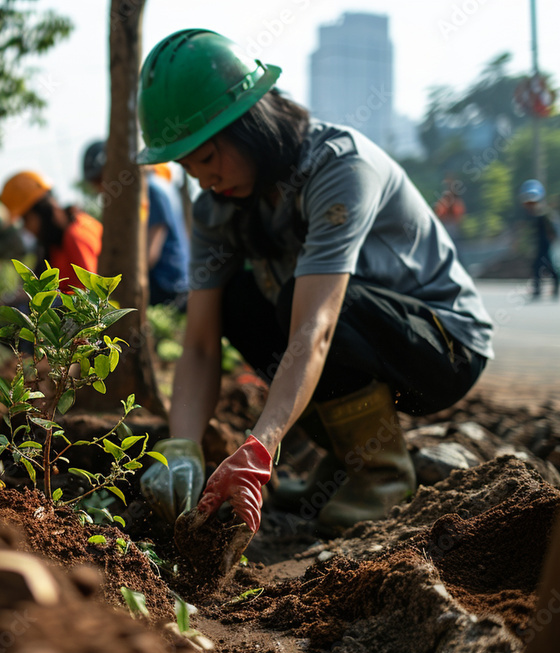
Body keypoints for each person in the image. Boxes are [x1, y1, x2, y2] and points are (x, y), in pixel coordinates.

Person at [136, 29, 494, 534]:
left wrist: (258, 449)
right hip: (348, 334)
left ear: (250, 124)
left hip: (443, 346)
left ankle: (382, 472)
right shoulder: (216, 208)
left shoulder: (337, 167)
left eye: (209, 158)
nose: (204, 180)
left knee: (300, 308)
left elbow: (317, 327)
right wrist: (182, 448)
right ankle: (351, 456)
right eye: (188, 168)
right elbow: (196, 344)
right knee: (237, 302)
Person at [82, 140, 190, 308]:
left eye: (99, 179)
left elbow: (150, 254)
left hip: (169, 289)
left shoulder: (151, 191)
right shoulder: (150, 188)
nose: (99, 188)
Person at [0, 171, 102, 292]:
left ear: (40, 211)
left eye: (25, 219)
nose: (26, 228)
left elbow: (92, 293)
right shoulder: (56, 243)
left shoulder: (76, 234)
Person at [517, 179, 559, 300]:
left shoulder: (544, 214)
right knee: (536, 267)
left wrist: (552, 242)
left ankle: (555, 287)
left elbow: (552, 231)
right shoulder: (531, 215)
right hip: (538, 245)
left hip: (546, 245)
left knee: (549, 267)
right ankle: (537, 290)